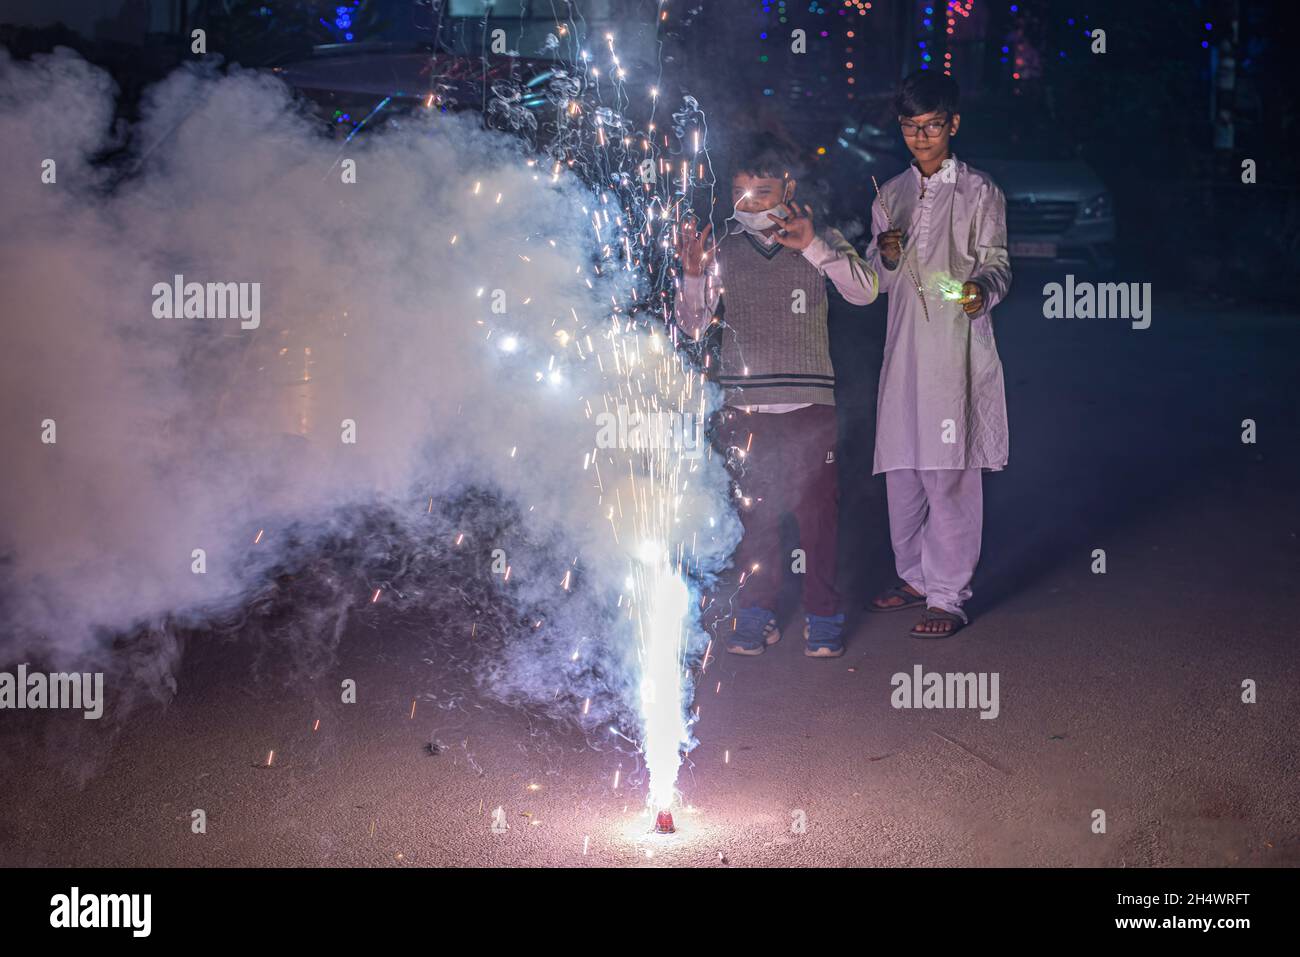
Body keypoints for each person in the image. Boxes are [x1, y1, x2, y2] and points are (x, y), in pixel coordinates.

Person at [676, 134, 878, 658]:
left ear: (787, 187)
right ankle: (756, 613)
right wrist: (695, 274)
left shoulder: (822, 239)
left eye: (762, 193)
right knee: (755, 516)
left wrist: (812, 246)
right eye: (741, 195)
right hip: (745, 407)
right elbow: (695, 328)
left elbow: (864, 290)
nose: (750, 206)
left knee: (817, 517)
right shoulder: (727, 248)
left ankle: (824, 614)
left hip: (810, 406)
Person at [865, 70, 1011, 638]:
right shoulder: (890, 194)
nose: (920, 137)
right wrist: (886, 252)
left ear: (953, 124)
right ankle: (915, 577)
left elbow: (998, 264)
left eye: (931, 126)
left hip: (954, 353)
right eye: (910, 127)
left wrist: (981, 292)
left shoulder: (980, 192)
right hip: (903, 354)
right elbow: (877, 281)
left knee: (947, 476)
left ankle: (947, 596)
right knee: (902, 472)